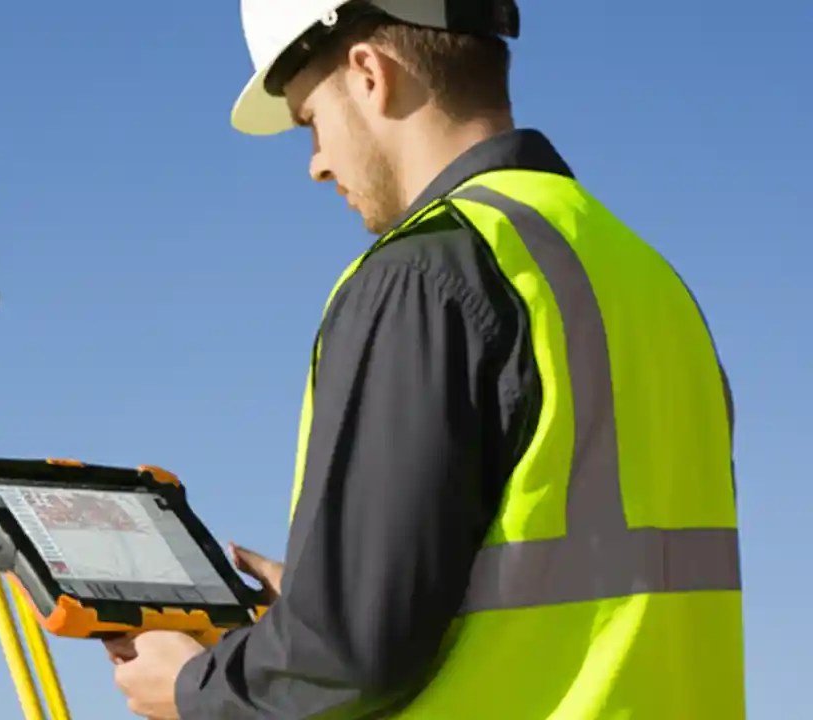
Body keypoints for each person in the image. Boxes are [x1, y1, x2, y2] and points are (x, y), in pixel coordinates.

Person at [106, 0, 746, 717]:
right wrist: (332, 593)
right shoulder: (643, 275)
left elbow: (349, 658)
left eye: (310, 120)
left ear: (369, 73)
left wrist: (194, 688)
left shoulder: (425, 274)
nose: (316, 164)